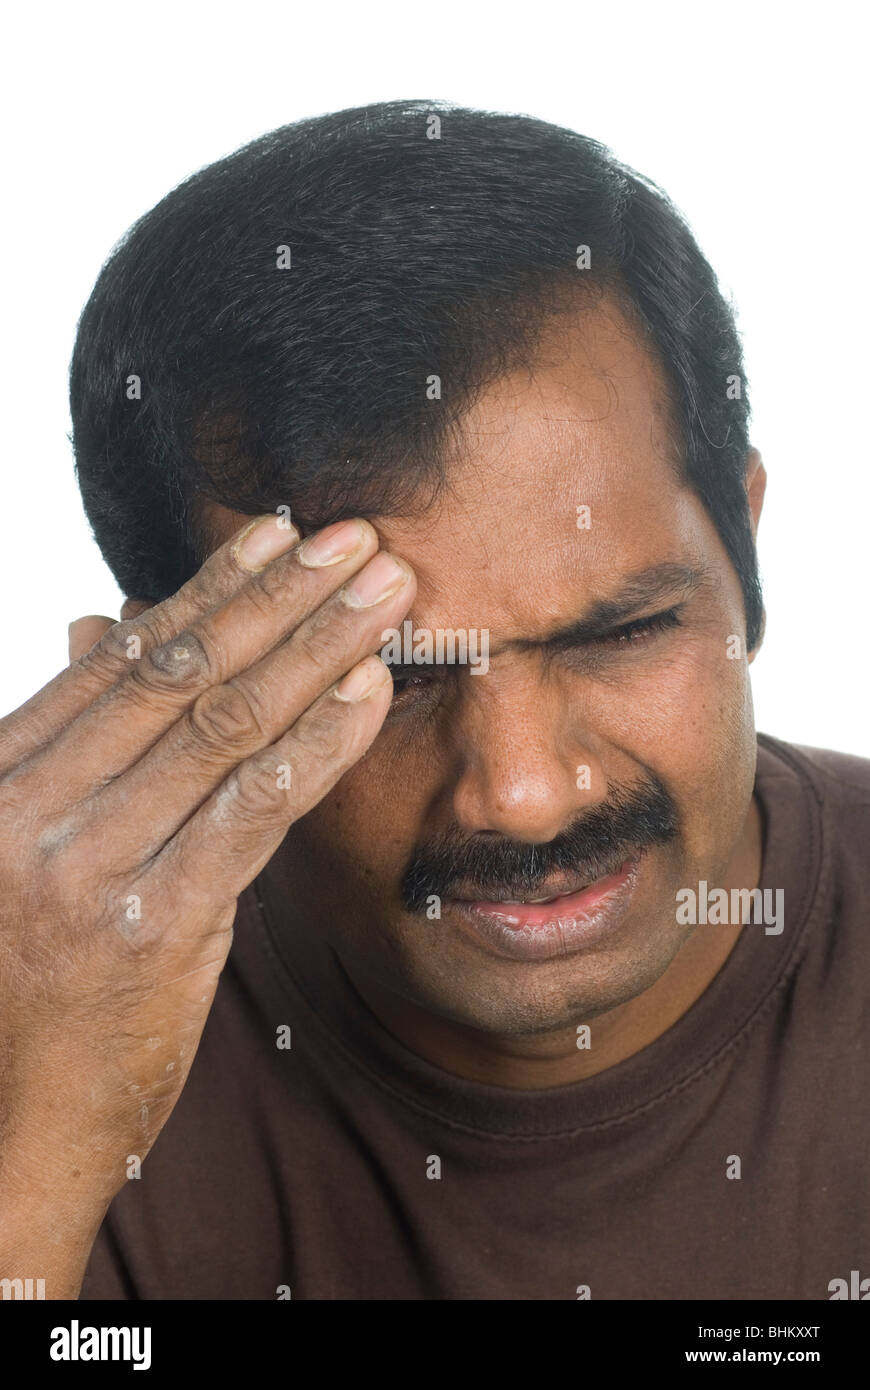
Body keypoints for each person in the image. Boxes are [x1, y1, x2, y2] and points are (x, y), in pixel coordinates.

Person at [1, 100, 866, 1302]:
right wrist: (35, 1146)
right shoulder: (45, 1033)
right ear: (165, 676)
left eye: (622, 631)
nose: (519, 792)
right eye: (387, 679)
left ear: (747, 563)